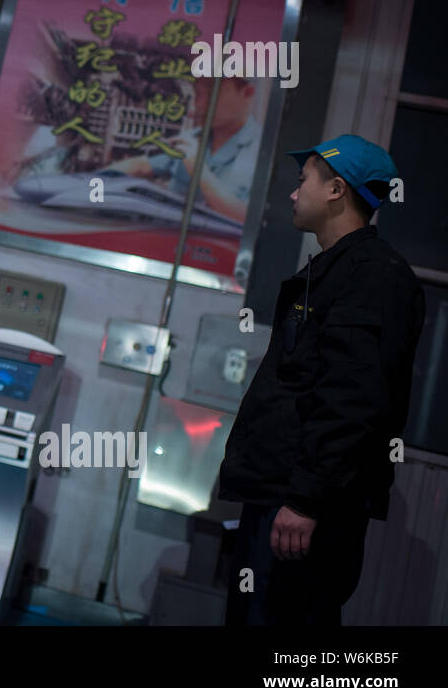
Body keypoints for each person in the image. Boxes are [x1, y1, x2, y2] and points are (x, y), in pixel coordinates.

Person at [218, 134, 426, 626]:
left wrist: (305, 498)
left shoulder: (374, 277)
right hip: (283, 498)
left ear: (336, 189)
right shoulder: (333, 272)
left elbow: (354, 400)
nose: (293, 193)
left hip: (304, 512)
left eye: (303, 180)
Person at [104, 76, 259, 222]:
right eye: (198, 94)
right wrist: (93, 181)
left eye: (213, 94)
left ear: (247, 93)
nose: (200, 104)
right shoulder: (194, 138)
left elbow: (247, 219)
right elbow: (141, 166)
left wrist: (199, 172)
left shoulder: (262, 153)